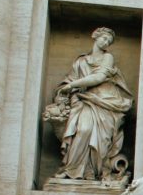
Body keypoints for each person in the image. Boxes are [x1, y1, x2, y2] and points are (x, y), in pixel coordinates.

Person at [50, 27, 133, 181]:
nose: (106, 42)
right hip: (84, 100)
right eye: (104, 38)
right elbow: (68, 80)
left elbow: (98, 78)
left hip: (105, 101)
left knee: (101, 138)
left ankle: (94, 172)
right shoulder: (80, 61)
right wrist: (66, 88)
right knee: (83, 129)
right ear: (95, 37)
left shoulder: (108, 57)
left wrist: (72, 85)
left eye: (109, 41)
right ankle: (72, 170)